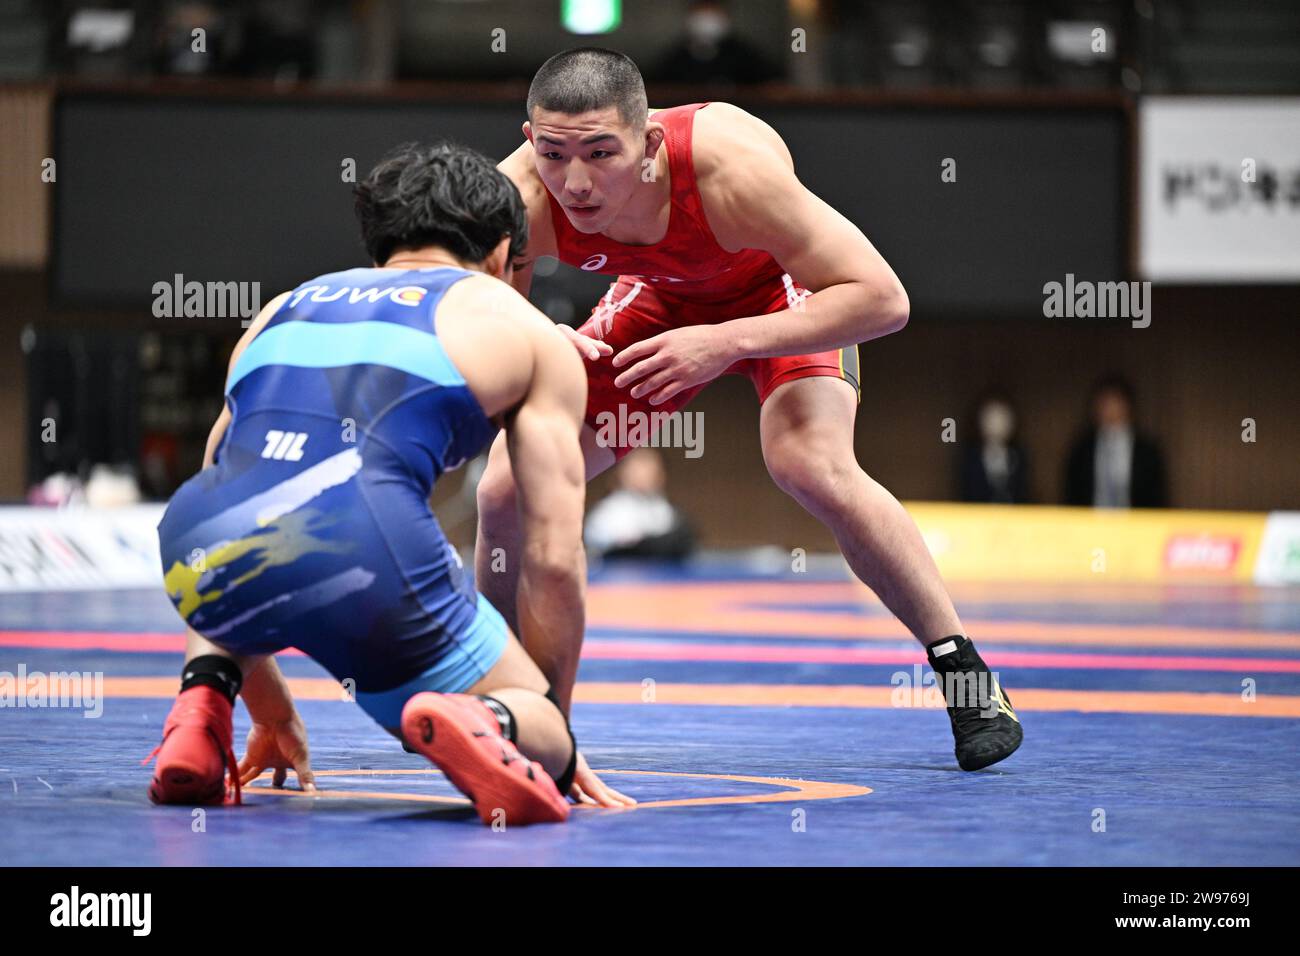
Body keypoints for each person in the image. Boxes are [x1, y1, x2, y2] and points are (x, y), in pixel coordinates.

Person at [477, 48, 1022, 771]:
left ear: (650, 143)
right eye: (554, 153)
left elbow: (883, 300)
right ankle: (493, 692)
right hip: (662, 299)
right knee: (506, 484)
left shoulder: (730, 172)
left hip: (780, 291)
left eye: (601, 153)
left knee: (809, 462)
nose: (576, 182)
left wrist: (725, 343)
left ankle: (964, 674)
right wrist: (539, 337)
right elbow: (463, 299)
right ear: (528, 139)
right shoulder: (518, 197)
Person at [145, 142, 634, 825]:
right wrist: (545, 726)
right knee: (542, 732)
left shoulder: (281, 307)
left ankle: (200, 709)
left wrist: (267, 704)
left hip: (199, 532)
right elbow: (552, 559)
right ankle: (486, 719)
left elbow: (224, 484)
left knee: (238, 524)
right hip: (361, 541)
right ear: (501, 254)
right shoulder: (525, 328)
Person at [1065, 375, 1168, 509]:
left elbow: (1157, 498)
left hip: (1137, 524)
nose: (1110, 410)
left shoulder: (1147, 451)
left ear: (1128, 406)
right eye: (1104, 403)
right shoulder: (1081, 449)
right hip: (1089, 525)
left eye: (1116, 402)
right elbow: (1071, 495)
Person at [584, 447, 695, 560]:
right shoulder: (606, 513)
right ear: (622, 472)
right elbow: (604, 551)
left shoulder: (666, 510)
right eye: (638, 467)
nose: (645, 473)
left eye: (651, 467)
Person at [959, 392, 1030, 504]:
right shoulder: (969, 457)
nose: (997, 424)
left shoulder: (1020, 456)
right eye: (991, 418)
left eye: (1002, 418)